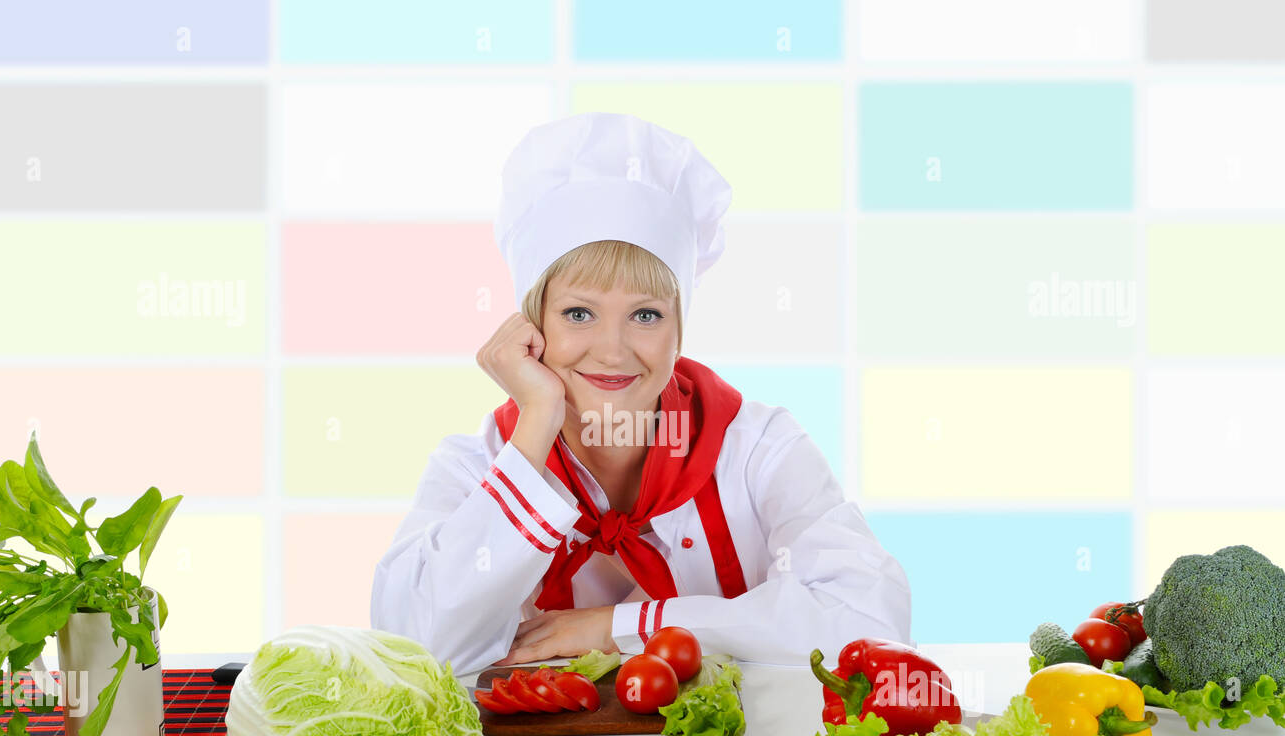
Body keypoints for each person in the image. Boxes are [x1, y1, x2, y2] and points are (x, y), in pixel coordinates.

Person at [371, 112, 911, 676]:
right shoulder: (476, 464)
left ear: (680, 329)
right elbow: (411, 649)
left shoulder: (756, 447)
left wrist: (618, 627)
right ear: (531, 325)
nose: (612, 349)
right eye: (577, 313)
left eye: (646, 314)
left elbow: (868, 619)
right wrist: (537, 422)